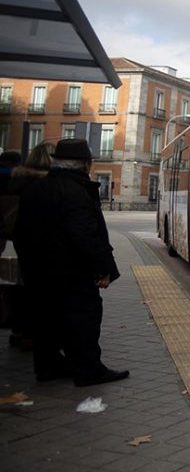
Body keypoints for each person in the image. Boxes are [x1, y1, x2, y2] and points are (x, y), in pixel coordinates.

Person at [14, 139, 128, 386]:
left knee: (46, 321)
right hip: (73, 273)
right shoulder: (77, 191)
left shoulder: (35, 189)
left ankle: (48, 367)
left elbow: (21, 233)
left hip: (38, 272)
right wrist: (103, 269)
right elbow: (86, 235)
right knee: (84, 320)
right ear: (85, 164)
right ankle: (89, 372)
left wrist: (29, 266)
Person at [3, 142, 54, 348]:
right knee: (41, 291)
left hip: (18, 239)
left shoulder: (16, 181)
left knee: (23, 285)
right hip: (42, 243)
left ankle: (20, 330)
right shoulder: (46, 185)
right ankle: (35, 335)